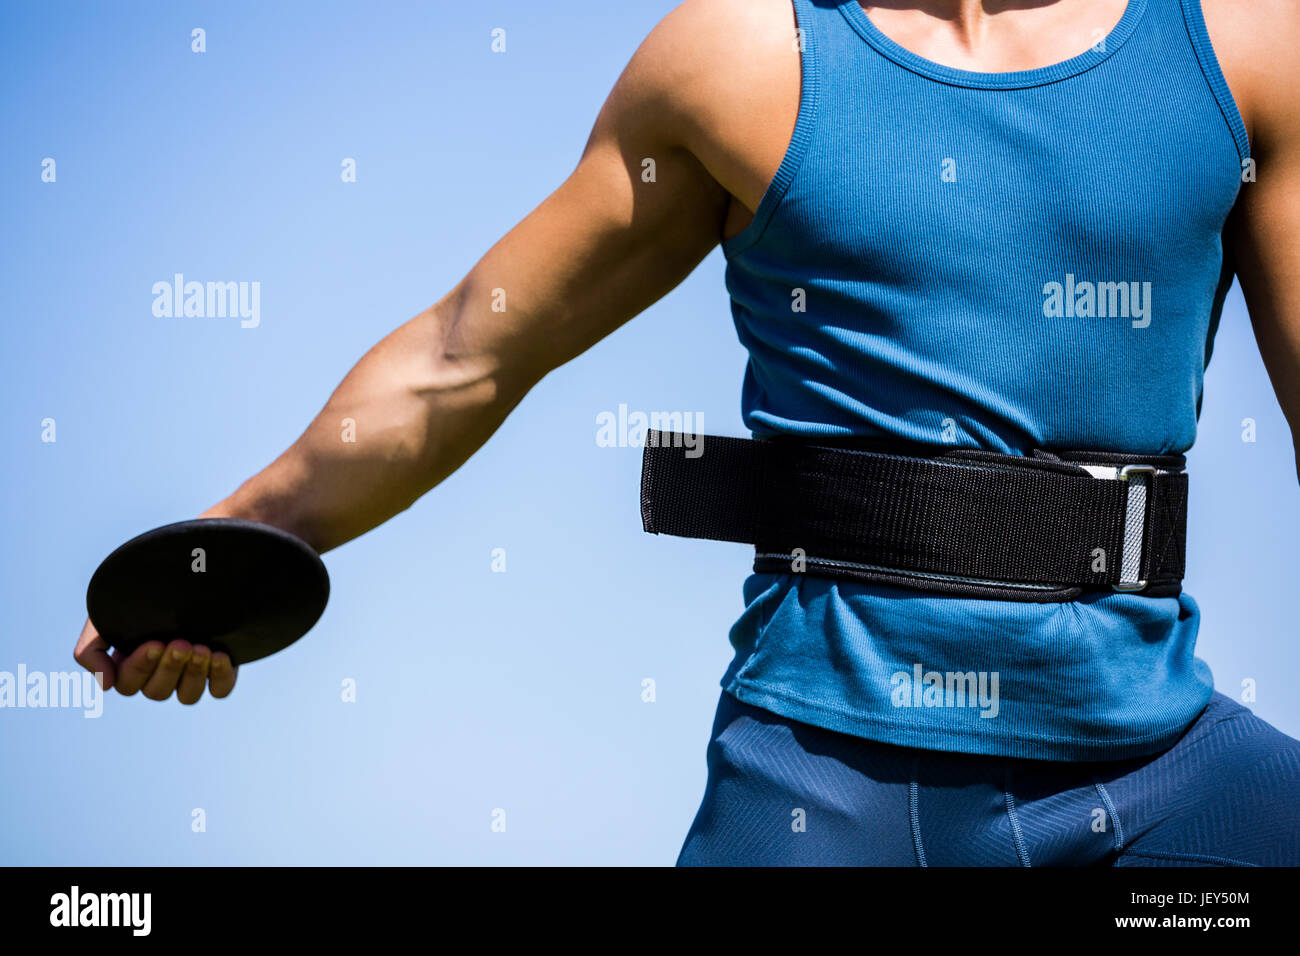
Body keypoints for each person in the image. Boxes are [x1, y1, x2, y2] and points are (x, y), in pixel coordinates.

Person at [75, 0, 1300, 865]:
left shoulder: (1243, 44)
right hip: (824, 786)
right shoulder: (739, 59)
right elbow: (466, 352)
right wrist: (234, 533)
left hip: (1158, 776)